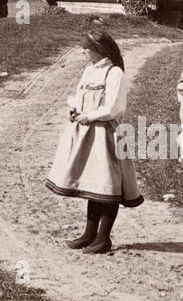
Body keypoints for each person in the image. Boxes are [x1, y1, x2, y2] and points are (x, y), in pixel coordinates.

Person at [45, 28, 143, 253]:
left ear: (98, 49)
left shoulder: (114, 73)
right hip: (88, 133)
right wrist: (74, 109)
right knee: (94, 185)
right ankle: (89, 234)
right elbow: (79, 95)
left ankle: (103, 238)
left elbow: (114, 108)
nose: (84, 53)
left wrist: (89, 115)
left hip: (106, 134)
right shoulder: (89, 70)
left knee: (108, 186)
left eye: (87, 49)